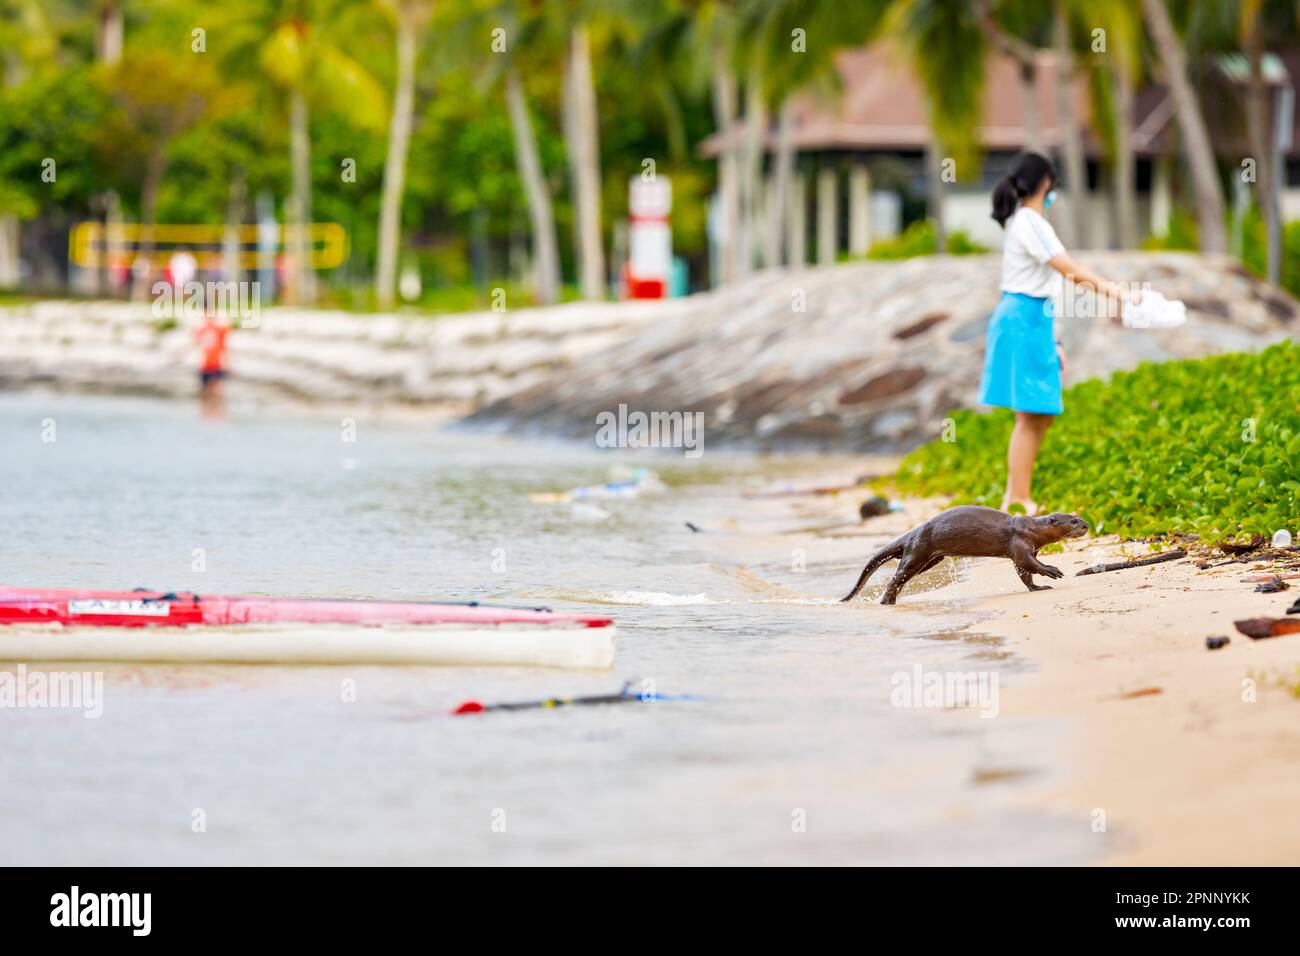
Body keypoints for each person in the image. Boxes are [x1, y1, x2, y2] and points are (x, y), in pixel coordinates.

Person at [980, 151, 1135, 515]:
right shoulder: (1030, 223)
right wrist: (1118, 294)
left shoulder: (1027, 223)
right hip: (1022, 318)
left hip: (1033, 319)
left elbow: (1047, 286)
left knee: (1041, 413)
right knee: (1029, 413)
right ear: (1046, 183)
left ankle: (1018, 493)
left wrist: (1055, 341)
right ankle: (1017, 497)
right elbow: (1070, 269)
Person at [195, 311, 230, 404]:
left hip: (215, 364)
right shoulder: (203, 330)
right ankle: (207, 411)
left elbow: (224, 347)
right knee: (205, 391)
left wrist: (226, 363)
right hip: (205, 365)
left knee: (215, 390)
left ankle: (215, 411)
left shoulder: (219, 330)